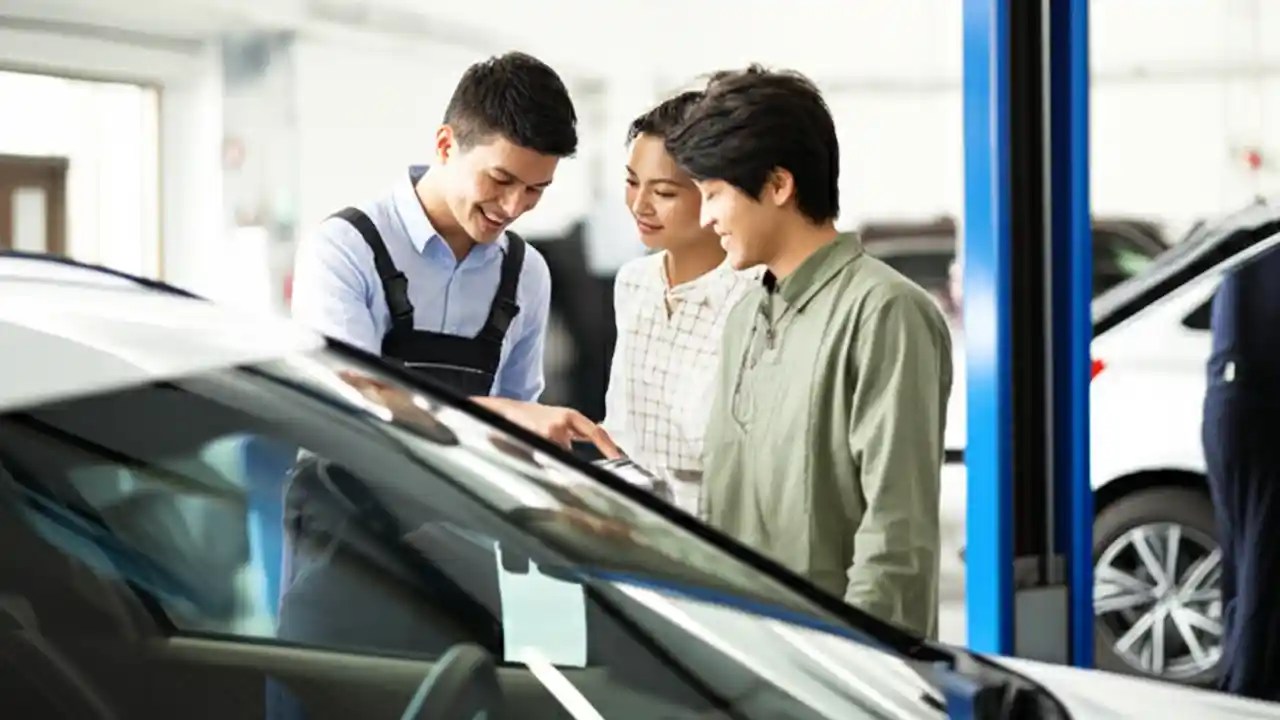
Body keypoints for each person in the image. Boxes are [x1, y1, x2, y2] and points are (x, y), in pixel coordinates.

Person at [663, 65, 953, 638]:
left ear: (777, 185)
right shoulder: (745, 316)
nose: (705, 217)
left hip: (837, 673)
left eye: (715, 193)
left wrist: (855, 669)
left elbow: (896, 537)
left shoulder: (886, 313)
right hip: (748, 656)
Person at [290, 51, 616, 456]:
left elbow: (519, 423)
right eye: (501, 179)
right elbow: (351, 401)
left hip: (460, 508)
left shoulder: (527, 273)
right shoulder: (344, 250)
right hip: (342, 503)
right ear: (446, 146)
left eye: (535, 189)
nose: (514, 206)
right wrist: (505, 414)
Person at [600, 90, 760, 514]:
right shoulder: (633, 284)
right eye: (632, 182)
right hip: (630, 526)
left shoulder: (758, 298)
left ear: (715, 193)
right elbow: (622, 433)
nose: (639, 205)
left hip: (720, 540)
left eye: (665, 192)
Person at [1202, 243, 1280, 701]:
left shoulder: (1256, 243)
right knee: (1264, 582)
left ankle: (1237, 687)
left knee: (1248, 570)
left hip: (1233, 407)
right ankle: (1250, 692)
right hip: (1262, 412)